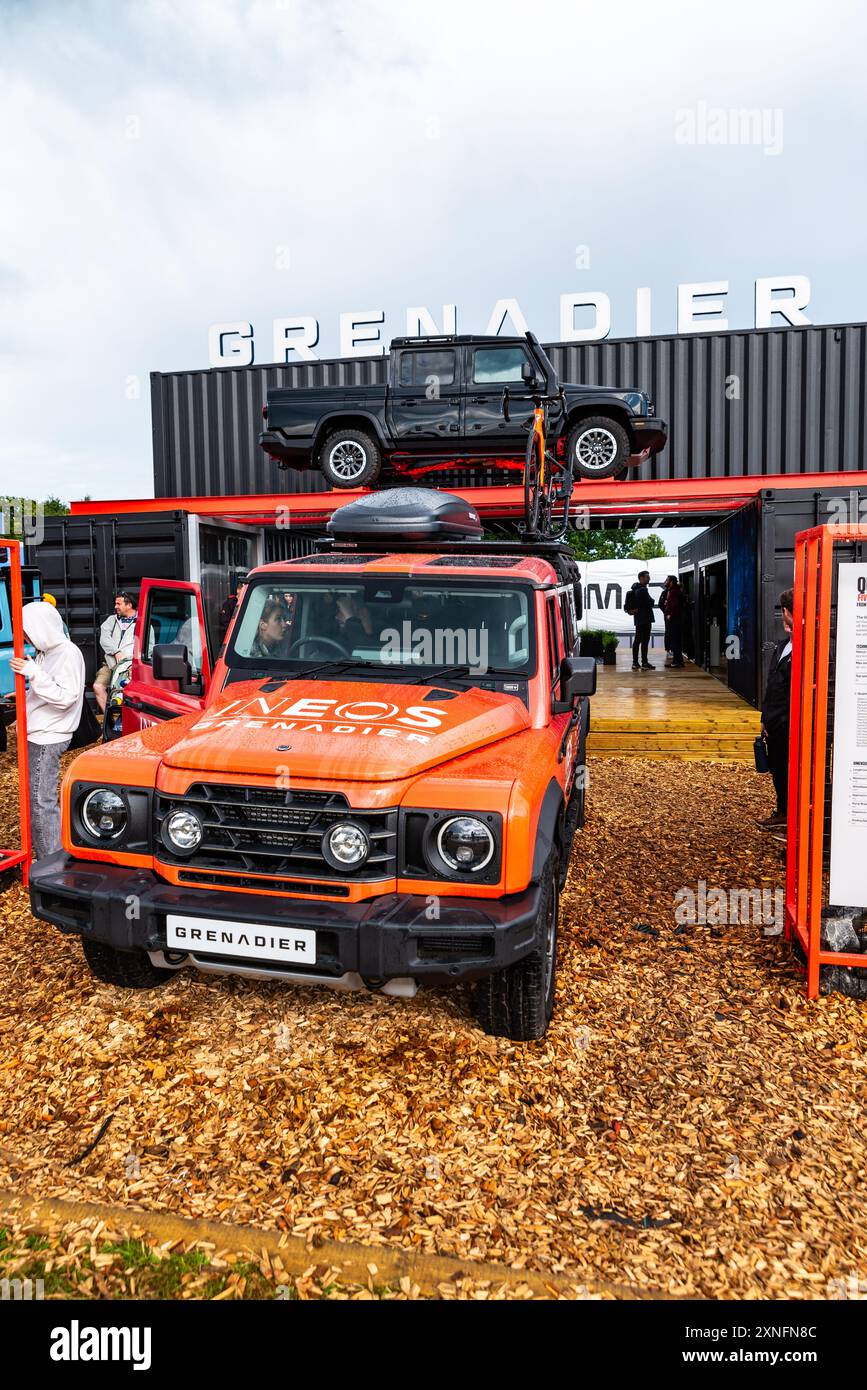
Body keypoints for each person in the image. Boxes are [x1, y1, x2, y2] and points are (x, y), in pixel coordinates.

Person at [9, 601, 85, 860]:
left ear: (40, 628)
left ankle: (51, 862)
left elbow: (66, 697)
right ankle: (53, 854)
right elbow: (48, 689)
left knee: (42, 802)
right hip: (42, 732)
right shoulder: (48, 653)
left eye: (28, 630)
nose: (26, 636)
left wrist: (33, 674)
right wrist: (25, 695)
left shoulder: (67, 653)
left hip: (49, 735)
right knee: (41, 799)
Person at [758, 588, 794, 832]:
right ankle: (784, 811)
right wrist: (765, 719)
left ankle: (793, 816)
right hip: (776, 725)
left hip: (792, 726)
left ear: (786, 613)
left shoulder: (807, 649)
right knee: (778, 770)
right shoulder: (782, 648)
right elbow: (772, 687)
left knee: (792, 772)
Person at [94, 592, 137, 713]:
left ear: (129, 605)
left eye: (119, 604)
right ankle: (111, 719)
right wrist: (116, 652)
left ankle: (125, 720)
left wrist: (132, 662)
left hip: (129, 667)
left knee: (125, 693)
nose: (115, 606)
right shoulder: (111, 620)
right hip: (110, 664)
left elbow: (148, 647)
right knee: (98, 687)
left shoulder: (141, 622)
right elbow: (104, 639)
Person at [625, 570, 656, 670]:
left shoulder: (635, 589)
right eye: (647, 577)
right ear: (641, 578)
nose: (649, 579)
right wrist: (652, 601)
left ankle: (635, 662)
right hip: (645, 618)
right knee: (645, 641)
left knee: (637, 640)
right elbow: (650, 602)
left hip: (638, 618)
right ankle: (644, 663)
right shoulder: (642, 590)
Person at [661, 575, 685, 668]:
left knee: (674, 641)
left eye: (667, 580)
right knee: (676, 641)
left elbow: (675, 606)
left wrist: (669, 615)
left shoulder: (673, 592)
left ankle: (676, 662)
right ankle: (679, 661)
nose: (665, 581)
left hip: (674, 620)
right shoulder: (675, 591)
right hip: (676, 619)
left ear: (671, 582)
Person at [218, 574, 248, 643]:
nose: (245, 593)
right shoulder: (228, 603)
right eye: (243, 590)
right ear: (238, 590)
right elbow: (225, 623)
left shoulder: (245, 603)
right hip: (230, 638)